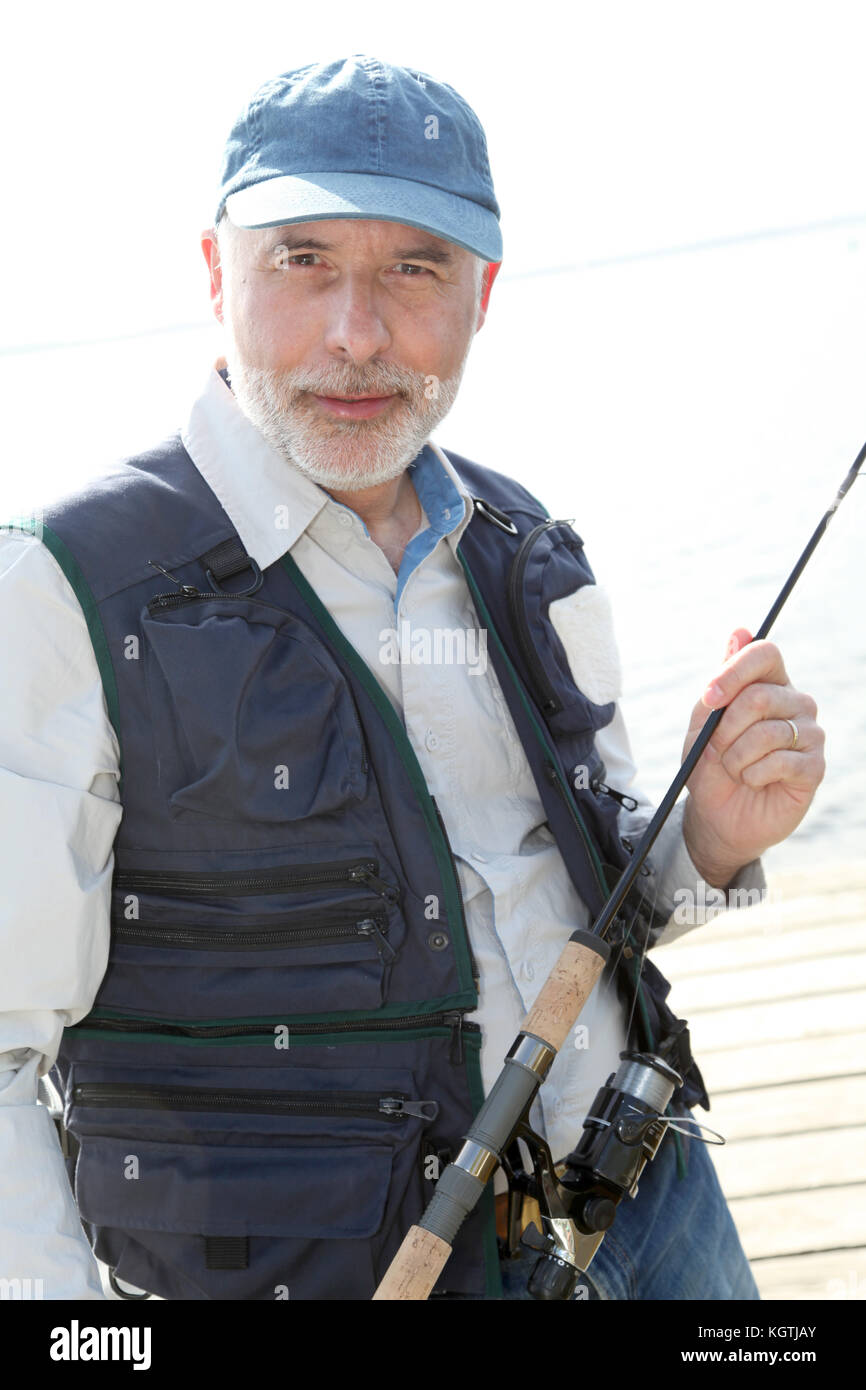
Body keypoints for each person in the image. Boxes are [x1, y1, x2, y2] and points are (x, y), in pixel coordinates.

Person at [0, 54, 824, 1302]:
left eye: (414, 268)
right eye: (303, 260)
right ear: (216, 274)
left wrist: (702, 843)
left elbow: (588, 906)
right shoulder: (61, 585)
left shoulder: (518, 537)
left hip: (656, 1218)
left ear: (482, 295)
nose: (357, 333)